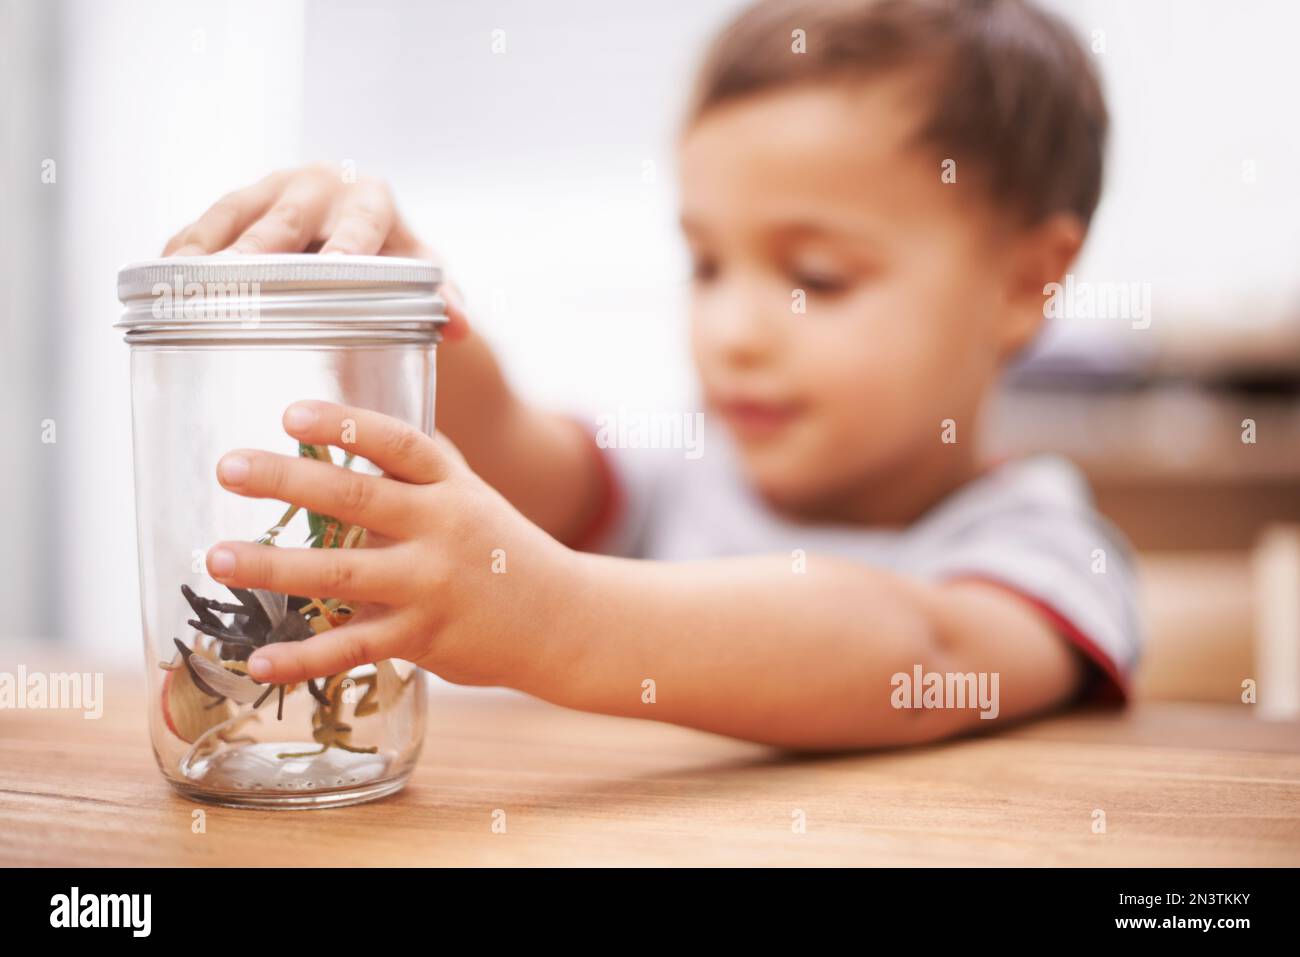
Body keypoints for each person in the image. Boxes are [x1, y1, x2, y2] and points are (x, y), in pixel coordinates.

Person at [164, 0, 1139, 750]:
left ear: (1022, 283)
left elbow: (920, 653)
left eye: (815, 277)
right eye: (707, 265)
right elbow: (505, 448)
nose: (732, 330)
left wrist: (558, 618)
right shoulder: (679, 482)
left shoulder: (1050, 554)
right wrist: (395, 289)